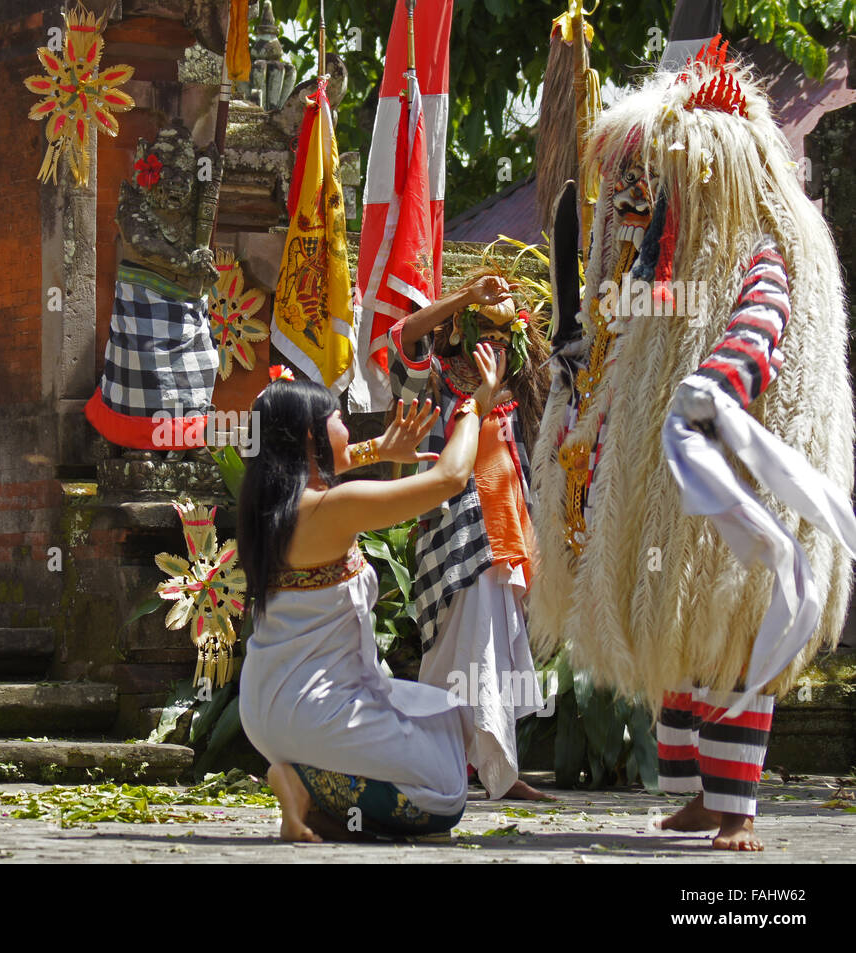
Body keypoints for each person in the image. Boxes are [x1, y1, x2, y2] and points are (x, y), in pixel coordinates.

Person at [530, 42, 854, 850]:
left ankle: (737, 807)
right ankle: (698, 795)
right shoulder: (647, 261)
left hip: (732, 474)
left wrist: (720, 380)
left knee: (736, 636)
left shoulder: (758, 250)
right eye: (630, 180)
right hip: (663, 479)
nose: (635, 193)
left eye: (651, 177)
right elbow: (609, 335)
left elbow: (763, 320)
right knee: (670, 631)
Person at [238, 345, 510, 842]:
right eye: (338, 419)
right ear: (309, 436)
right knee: (446, 797)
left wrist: (377, 451)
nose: (349, 429)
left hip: (270, 704)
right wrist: (473, 406)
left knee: (446, 718)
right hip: (313, 707)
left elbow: (332, 466)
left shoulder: (270, 510)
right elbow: (449, 478)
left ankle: (314, 796)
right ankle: (301, 783)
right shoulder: (333, 509)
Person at [389, 269, 553, 801]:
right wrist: (465, 295)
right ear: (461, 333)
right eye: (484, 333)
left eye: (503, 337)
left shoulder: (518, 394)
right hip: (455, 544)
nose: (495, 345)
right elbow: (404, 336)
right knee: (460, 657)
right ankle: (459, 766)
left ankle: (492, 768)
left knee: (494, 658)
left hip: (508, 544)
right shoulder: (436, 385)